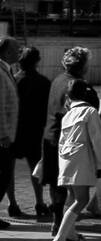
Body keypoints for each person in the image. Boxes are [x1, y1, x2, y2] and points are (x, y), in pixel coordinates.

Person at [41, 47, 98, 241]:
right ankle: (66, 231)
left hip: (51, 135)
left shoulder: (57, 80)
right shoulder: (79, 86)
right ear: (83, 66)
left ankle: (58, 223)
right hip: (72, 142)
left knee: (57, 185)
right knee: (76, 191)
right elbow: (90, 114)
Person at [51, 80, 101, 241]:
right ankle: (59, 239)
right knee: (81, 199)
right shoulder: (90, 111)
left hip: (66, 159)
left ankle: (70, 235)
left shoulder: (67, 114)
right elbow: (98, 139)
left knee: (71, 198)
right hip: (81, 159)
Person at [12, 46, 51, 219]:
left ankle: (13, 203)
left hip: (14, 129)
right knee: (35, 168)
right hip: (34, 129)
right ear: (37, 61)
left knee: (8, 169)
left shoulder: (13, 80)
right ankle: (39, 202)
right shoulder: (43, 81)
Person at [0, 36, 22, 228]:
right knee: (3, 174)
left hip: (7, 134)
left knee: (4, 174)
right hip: (2, 137)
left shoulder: (6, 69)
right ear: (7, 52)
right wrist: (3, 135)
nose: (20, 52)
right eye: (17, 49)